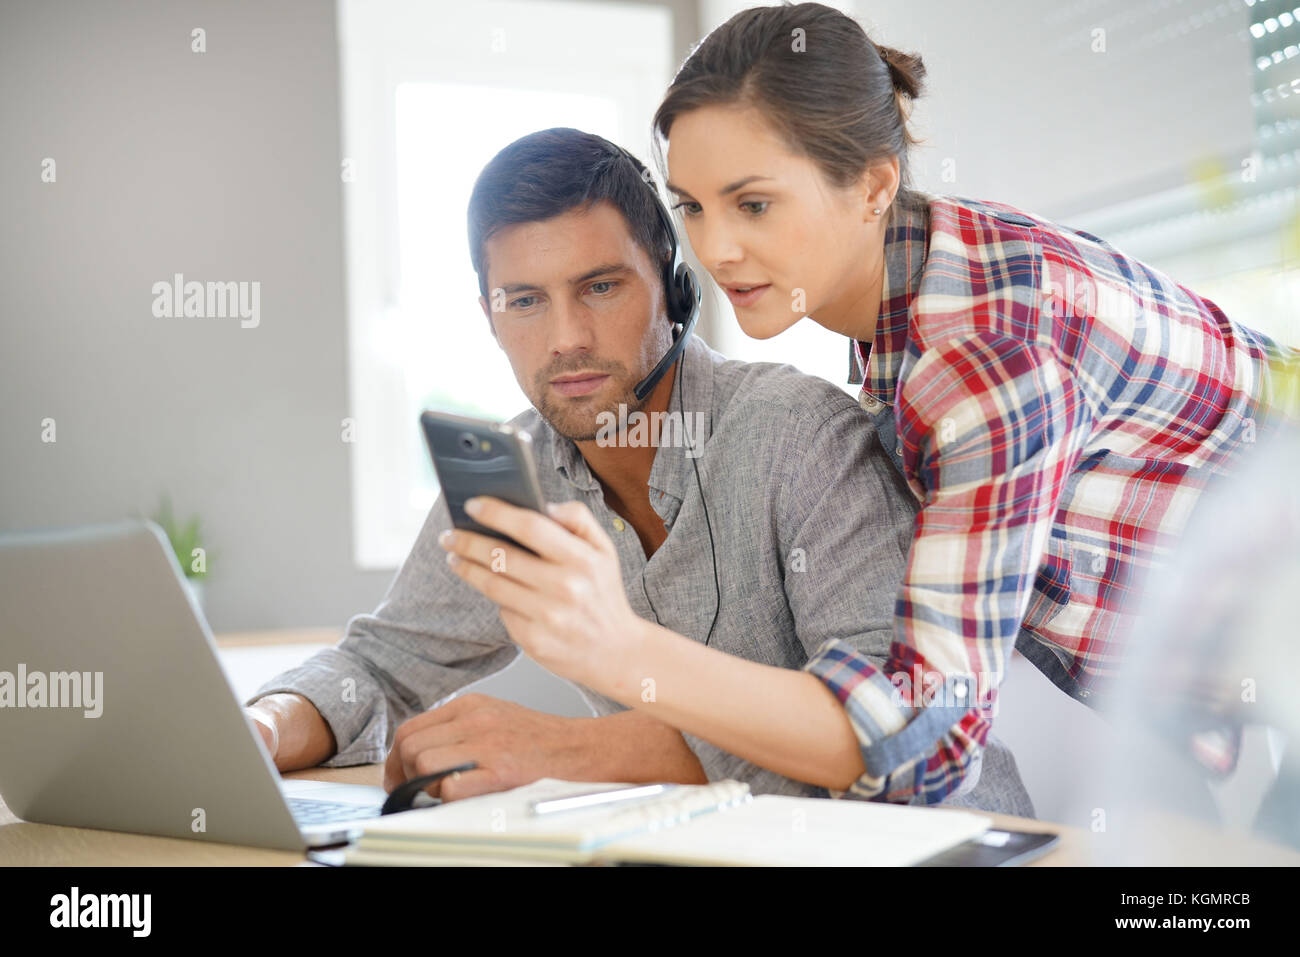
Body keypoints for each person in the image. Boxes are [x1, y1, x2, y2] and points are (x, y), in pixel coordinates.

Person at [445, 3, 1300, 805]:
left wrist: (622, 647)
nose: (716, 249)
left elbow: (928, 742)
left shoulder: (981, 355)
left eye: (753, 203)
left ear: (872, 185)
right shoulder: (921, 296)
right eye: (693, 208)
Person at [244, 126, 1036, 815]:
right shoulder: (513, 475)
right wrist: (266, 726)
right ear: (489, 316)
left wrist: (569, 750)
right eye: (524, 300)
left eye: (600, 286)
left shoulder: (802, 434)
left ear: (672, 284)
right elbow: (377, 666)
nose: (566, 337)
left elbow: (894, 735)